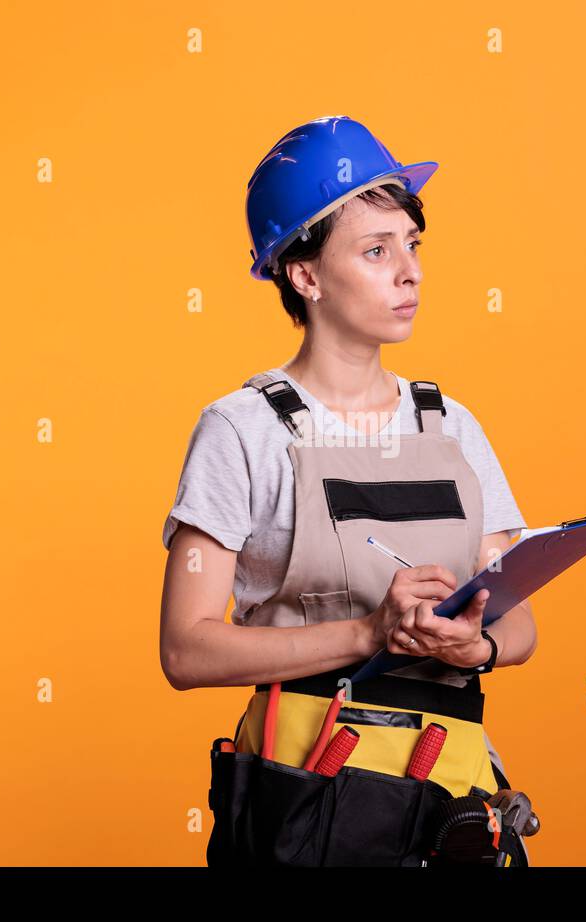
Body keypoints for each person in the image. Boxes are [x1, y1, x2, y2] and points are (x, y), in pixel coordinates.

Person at [160, 115, 537, 865]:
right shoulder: (242, 430)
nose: (410, 271)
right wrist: (369, 635)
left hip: (452, 796)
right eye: (376, 250)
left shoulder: (451, 424)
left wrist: (476, 644)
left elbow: (520, 625)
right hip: (304, 804)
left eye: (412, 245)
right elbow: (185, 649)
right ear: (304, 276)